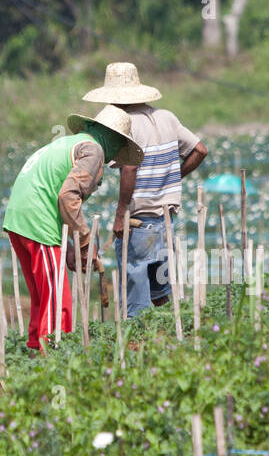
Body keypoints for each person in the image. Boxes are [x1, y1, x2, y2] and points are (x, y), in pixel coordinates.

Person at [2, 105, 142, 350]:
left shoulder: (71, 143)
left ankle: (36, 360)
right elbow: (68, 197)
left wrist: (68, 244)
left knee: (43, 298)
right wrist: (86, 242)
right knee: (59, 302)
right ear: (115, 140)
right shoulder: (94, 150)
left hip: (20, 219)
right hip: (38, 221)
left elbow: (52, 191)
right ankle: (56, 360)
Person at [83, 62, 208, 318]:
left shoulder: (125, 123)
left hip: (139, 224)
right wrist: (175, 174)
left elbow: (129, 169)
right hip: (165, 222)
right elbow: (200, 150)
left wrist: (120, 215)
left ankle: (138, 349)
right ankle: (170, 339)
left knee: (135, 304)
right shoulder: (167, 117)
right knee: (161, 294)